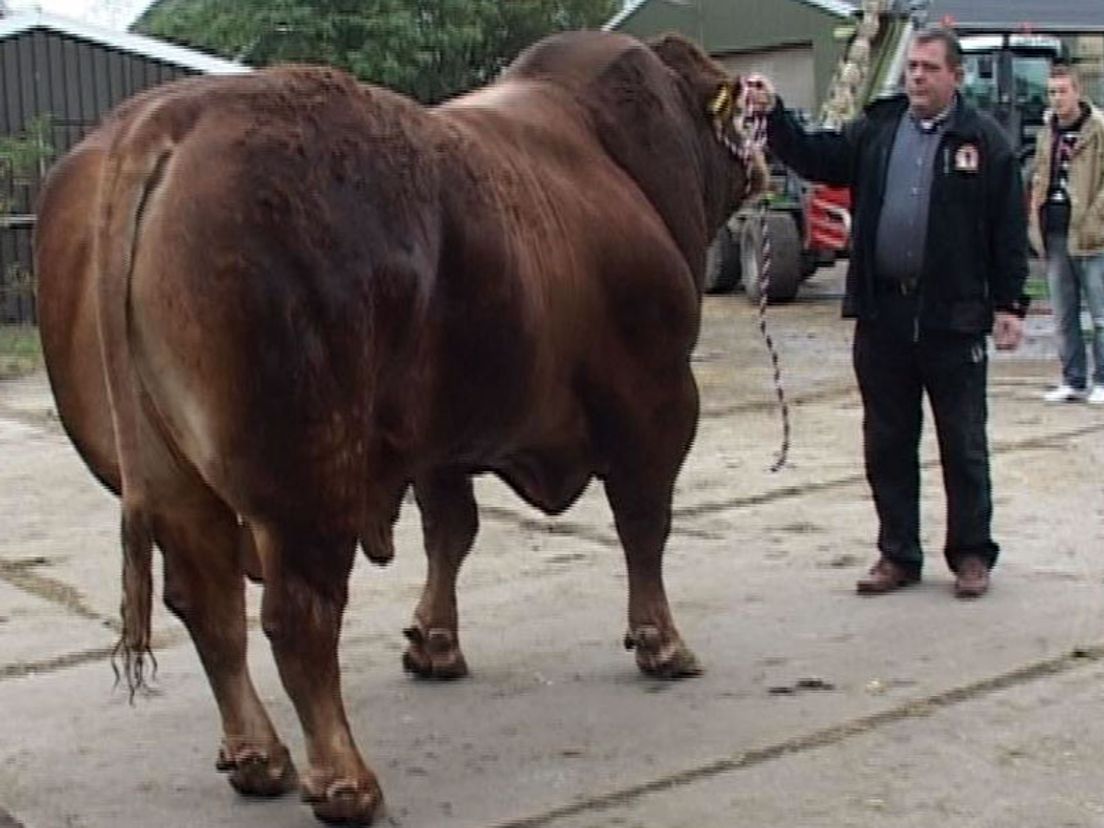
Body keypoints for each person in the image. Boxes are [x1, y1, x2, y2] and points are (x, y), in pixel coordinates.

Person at [747, 27, 1030, 598]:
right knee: (887, 440)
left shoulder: (985, 142)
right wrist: (775, 115)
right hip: (885, 316)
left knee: (963, 442)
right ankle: (897, 553)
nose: (917, 76)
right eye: (913, 68)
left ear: (954, 75)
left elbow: (1007, 231)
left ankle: (971, 553)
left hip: (953, 318)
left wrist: (1009, 306)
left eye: (929, 68)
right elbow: (818, 157)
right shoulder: (880, 129)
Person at [1029, 64, 1104, 405]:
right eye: (1052, 92)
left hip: (1091, 233)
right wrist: (1035, 222)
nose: (1057, 99)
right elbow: (1040, 177)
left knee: (1100, 312)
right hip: (1055, 231)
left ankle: (1101, 378)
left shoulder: (1098, 130)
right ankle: (1072, 378)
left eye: (1062, 91)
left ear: (1077, 91)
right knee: (1063, 311)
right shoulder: (1048, 131)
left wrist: (1095, 219)